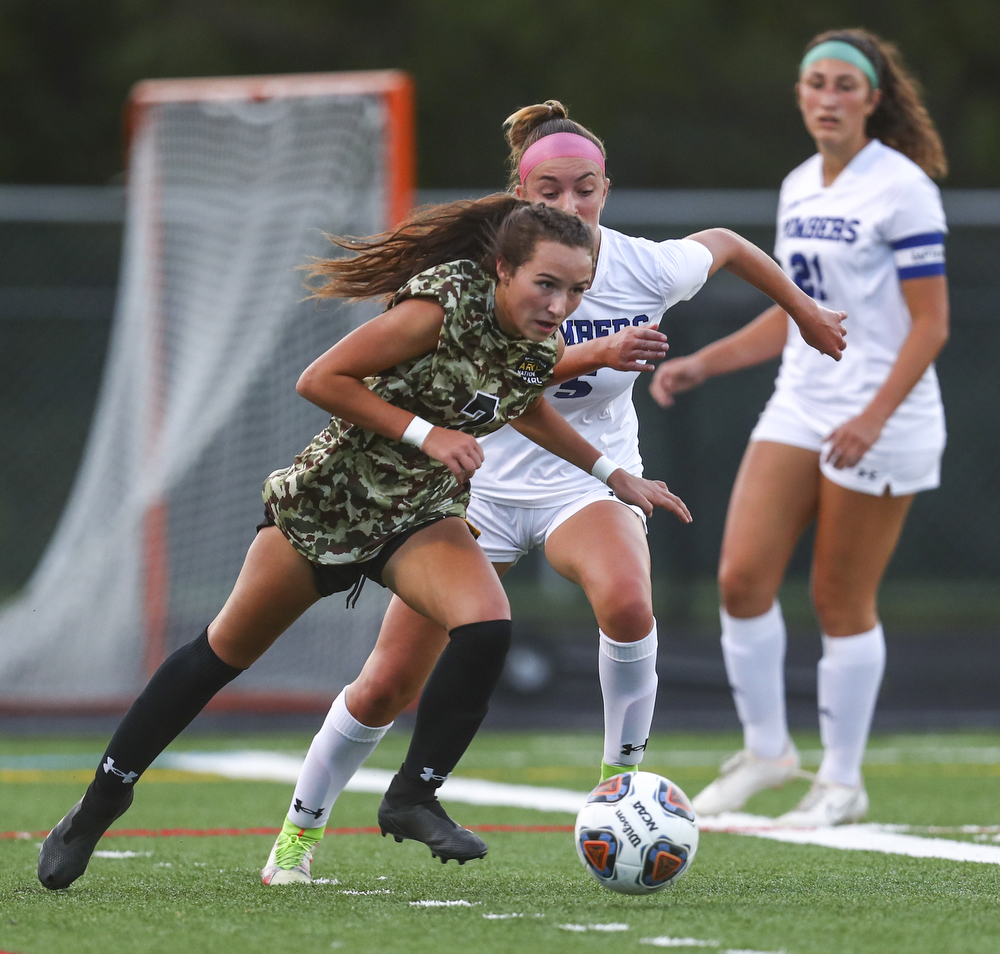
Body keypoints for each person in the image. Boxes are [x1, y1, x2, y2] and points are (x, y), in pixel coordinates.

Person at [260, 101, 847, 885]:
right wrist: (596, 352)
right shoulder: (485, 277)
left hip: (586, 476)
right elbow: (507, 378)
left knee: (628, 602)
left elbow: (732, 244)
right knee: (388, 682)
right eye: (551, 191)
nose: (572, 205)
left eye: (587, 189)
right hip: (468, 487)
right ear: (521, 197)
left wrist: (804, 312)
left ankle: (620, 791)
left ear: (607, 188)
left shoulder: (647, 267)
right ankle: (296, 837)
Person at [37, 197, 697, 891]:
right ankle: (103, 798)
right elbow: (320, 379)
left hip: (419, 515)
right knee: (220, 654)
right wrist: (427, 434)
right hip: (331, 504)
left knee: (486, 626)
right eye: (547, 284)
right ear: (503, 269)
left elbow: (523, 402)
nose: (560, 305)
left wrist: (613, 474)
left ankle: (413, 794)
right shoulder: (441, 306)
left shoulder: (537, 343)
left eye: (577, 290)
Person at [650, 29, 949, 827]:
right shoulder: (799, 185)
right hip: (802, 403)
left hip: (882, 415)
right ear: (800, 95)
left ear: (873, 99)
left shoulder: (903, 188)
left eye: (845, 85)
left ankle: (842, 783)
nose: (828, 98)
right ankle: (767, 754)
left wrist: (873, 416)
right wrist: (704, 362)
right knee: (740, 579)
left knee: (838, 599)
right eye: (816, 83)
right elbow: (798, 314)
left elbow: (932, 324)